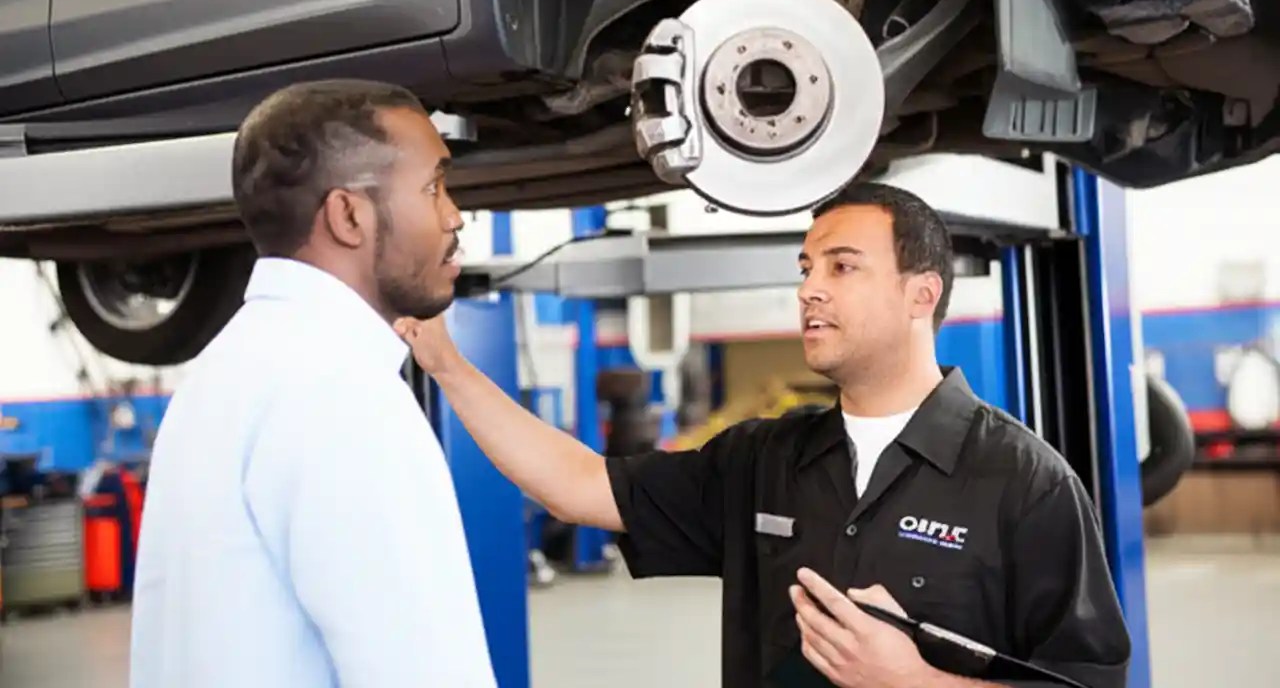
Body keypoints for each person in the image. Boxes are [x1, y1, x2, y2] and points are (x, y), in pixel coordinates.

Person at [396, 182, 1132, 688]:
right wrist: (448, 365)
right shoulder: (765, 460)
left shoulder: (1026, 484)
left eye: (842, 267)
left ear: (923, 293)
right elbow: (581, 487)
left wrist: (916, 680)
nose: (810, 287)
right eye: (807, 268)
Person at [130, 80, 496, 688]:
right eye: (433, 186)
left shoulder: (223, 373)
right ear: (348, 215)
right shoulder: (345, 396)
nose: (453, 213)